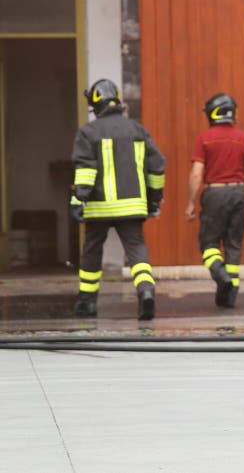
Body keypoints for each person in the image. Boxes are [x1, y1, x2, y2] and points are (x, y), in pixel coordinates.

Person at [71, 79, 165, 320]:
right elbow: (156, 167)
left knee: (92, 250)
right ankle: (145, 291)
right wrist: (154, 200)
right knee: (136, 249)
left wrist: (77, 200)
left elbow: (85, 169)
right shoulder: (137, 130)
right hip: (132, 205)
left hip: (98, 207)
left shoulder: (88, 132)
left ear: (94, 103)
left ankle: (87, 302)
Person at [185, 93, 244, 308]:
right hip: (238, 193)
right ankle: (228, 296)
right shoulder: (243, 139)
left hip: (215, 194)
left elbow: (197, 173)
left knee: (208, 243)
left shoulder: (205, 138)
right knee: (233, 245)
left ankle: (220, 274)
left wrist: (190, 202)